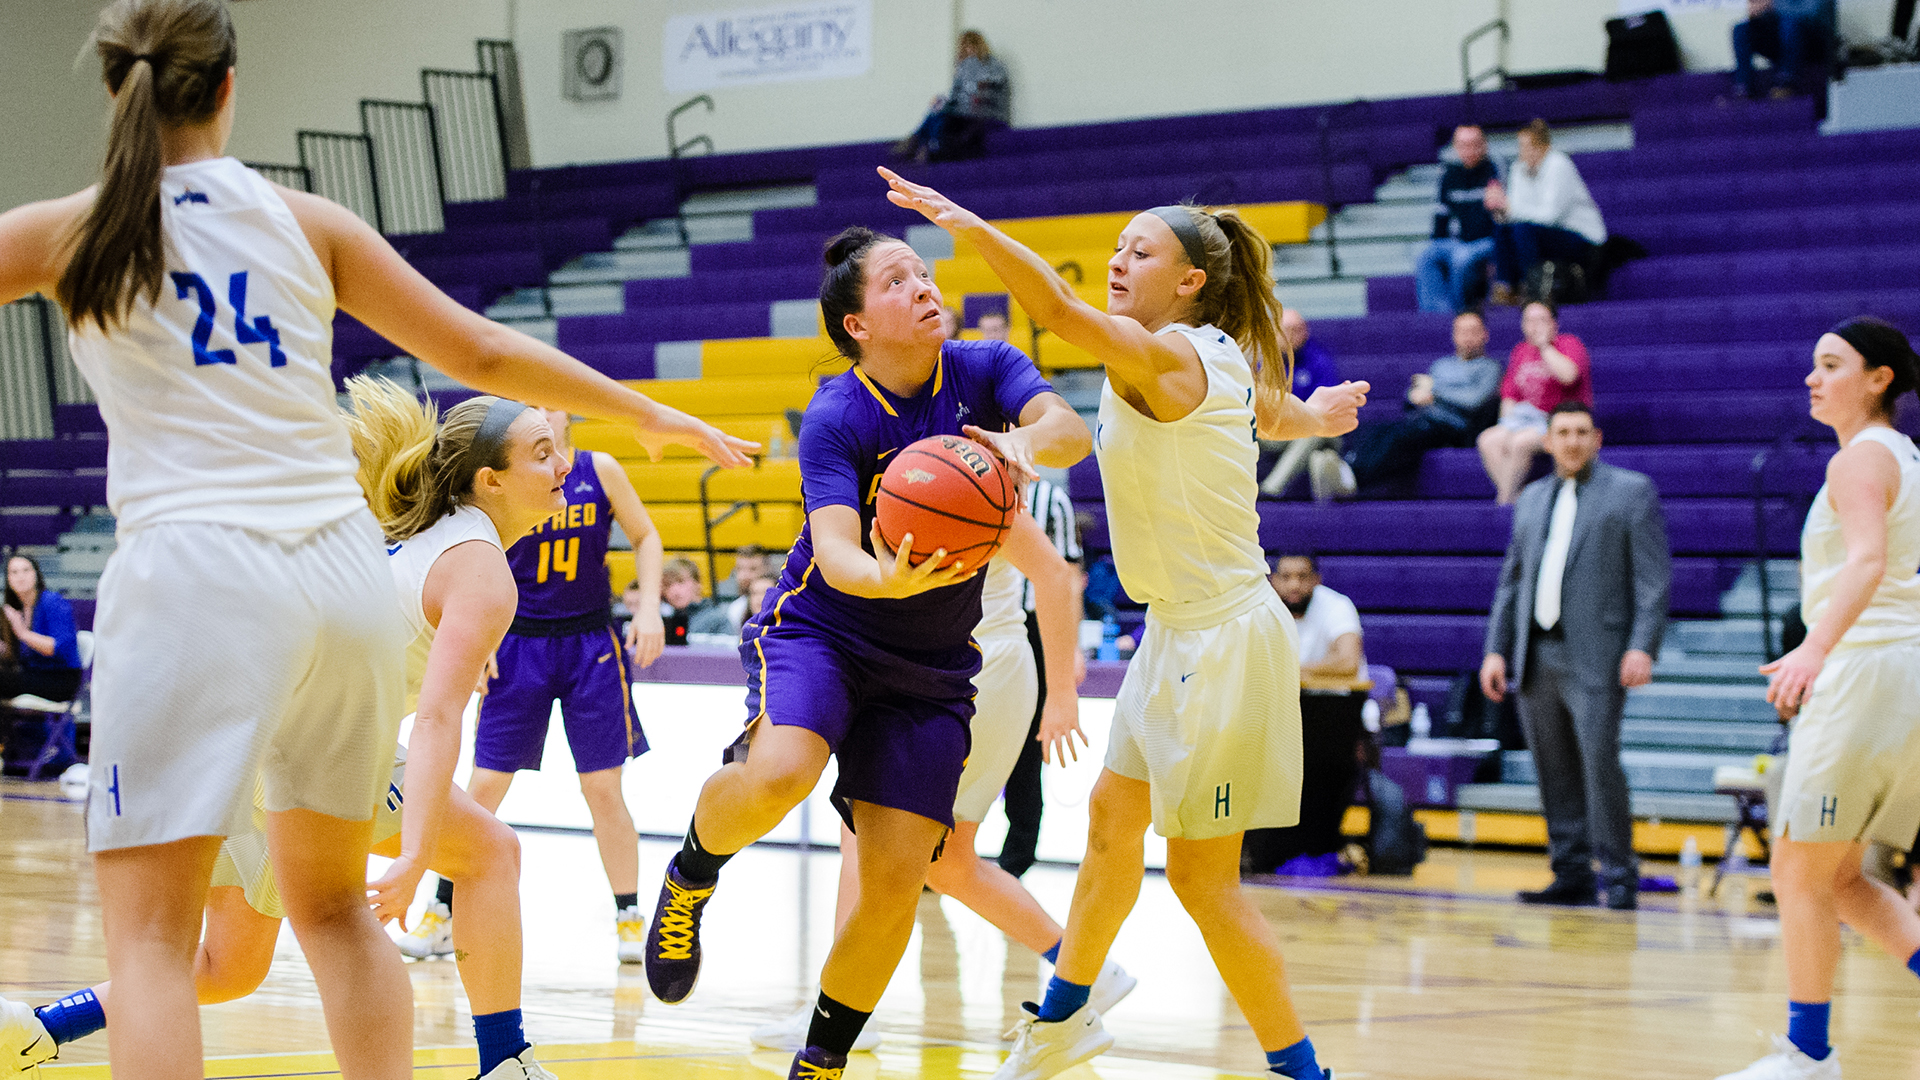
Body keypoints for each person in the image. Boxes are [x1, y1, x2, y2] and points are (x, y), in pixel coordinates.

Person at [0, 3, 753, 1075]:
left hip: (199, 574)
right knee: (336, 914)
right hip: (344, 582)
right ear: (225, 88)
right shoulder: (307, 222)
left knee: (157, 945)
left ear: (119, 90)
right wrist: (646, 412)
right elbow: (483, 349)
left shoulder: (70, 228)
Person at [882, 167, 1367, 1080]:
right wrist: (1319, 417)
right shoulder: (1211, 355)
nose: (1117, 260)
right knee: (1110, 822)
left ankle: (1303, 1073)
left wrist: (963, 222)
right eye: (1117, 245)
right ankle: (1063, 1023)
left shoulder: (1168, 354)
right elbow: (1268, 409)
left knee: (1200, 883)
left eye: (1139, 250)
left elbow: (1059, 310)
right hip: (1174, 632)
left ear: (1189, 281)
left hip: (1222, 639)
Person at [0, 379, 577, 1078]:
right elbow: (435, 720)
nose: (565, 464)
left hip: (221, 738)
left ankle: (39, 1028)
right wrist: (418, 852)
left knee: (228, 966)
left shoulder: (414, 528)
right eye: (543, 452)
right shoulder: (480, 569)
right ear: (491, 480)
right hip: (305, 741)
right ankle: (506, 1062)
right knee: (486, 854)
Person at [636, 223, 1090, 1080]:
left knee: (894, 882)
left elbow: (1066, 426)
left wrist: (1020, 447)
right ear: (856, 323)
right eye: (896, 280)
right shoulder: (837, 413)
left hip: (931, 669)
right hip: (828, 631)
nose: (924, 286)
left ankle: (823, 1063)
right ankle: (691, 875)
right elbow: (837, 551)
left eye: (925, 272)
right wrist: (890, 582)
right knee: (780, 772)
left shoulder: (984, 372)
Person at [749, 511, 1131, 1054]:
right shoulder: (916, 458)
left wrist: (1063, 694)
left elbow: (1055, 574)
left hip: (978, 667)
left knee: (865, 828)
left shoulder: (964, 470)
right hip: (983, 667)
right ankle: (1086, 969)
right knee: (951, 861)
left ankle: (843, 1012)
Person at [1714, 319, 1920, 1080]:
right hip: (1900, 673)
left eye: (1831, 365)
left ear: (1879, 379)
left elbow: (1867, 560)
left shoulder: (1861, 460)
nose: (1813, 378)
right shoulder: (1899, 456)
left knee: (1798, 869)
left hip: (1867, 670)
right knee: (1842, 879)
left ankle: (1807, 1055)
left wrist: (1813, 646)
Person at [401, 407, 667, 967]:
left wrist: (647, 608)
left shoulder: (600, 469)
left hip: (590, 642)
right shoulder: (508, 475)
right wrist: (475, 643)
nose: (543, 405)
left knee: (603, 789)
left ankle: (628, 914)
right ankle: (441, 911)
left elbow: (645, 535)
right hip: (514, 640)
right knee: (487, 782)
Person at [1480, 402, 1669, 912]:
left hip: (1598, 655)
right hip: (1535, 653)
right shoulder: (1532, 497)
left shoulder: (1632, 492)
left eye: (1581, 432)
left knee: (1599, 763)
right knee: (1553, 767)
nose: (1571, 441)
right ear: (1547, 441)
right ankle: (1570, 872)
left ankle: (1620, 873)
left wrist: (1641, 646)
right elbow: (1512, 580)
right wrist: (1496, 650)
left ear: (1597, 438)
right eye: (1561, 432)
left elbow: (1653, 582)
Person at [1243, 556, 1369, 877]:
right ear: (1273, 580)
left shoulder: (1337, 607)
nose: (1294, 584)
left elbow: (1348, 662)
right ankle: (1260, 851)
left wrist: (1293, 670)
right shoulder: (1262, 609)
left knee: (1316, 767)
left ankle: (1315, 850)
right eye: (1286, 576)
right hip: (1284, 710)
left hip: (1335, 714)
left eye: (1302, 576)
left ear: (1316, 579)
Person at [1310, 311, 1504, 498]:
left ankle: (1351, 478)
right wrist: (1413, 396)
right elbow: (1416, 396)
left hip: (1456, 427)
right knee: (1376, 429)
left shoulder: (1490, 368)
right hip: (1425, 417)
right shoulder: (1441, 366)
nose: (1467, 337)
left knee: (1405, 437)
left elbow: (1474, 400)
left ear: (1485, 335)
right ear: (1454, 335)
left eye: (1473, 331)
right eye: (1462, 332)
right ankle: (1346, 467)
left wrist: (1434, 393)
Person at [998, 474, 1084, 879]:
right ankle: (938, 859)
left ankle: (1016, 861)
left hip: (1036, 626)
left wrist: (1072, 648)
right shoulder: (960, 475)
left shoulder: (1053, 501)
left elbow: (1068, 578)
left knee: (1030, 749)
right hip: (979, 622)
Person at [1477, 300, 1593, 505]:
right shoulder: (1520, 351)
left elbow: (1569, 376)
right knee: (1488, 440)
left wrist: (1544, 347)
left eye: (1541, 320)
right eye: (1529, 320)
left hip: (1557, 420)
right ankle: (1516, 498)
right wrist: (1506, 426)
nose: (1535, 326)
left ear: (1554, 324)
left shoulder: (1569, 344)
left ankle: (1504, 502)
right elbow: (1509, 396)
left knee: (1519, 442)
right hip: (1524, 419)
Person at [1487, 120, 1606, 306]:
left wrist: (1511, 209)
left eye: (1530, 146)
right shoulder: (1518, 169)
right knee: (1502, 228)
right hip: (1543, 233)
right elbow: (1515, 212)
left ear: (1545, 147)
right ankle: (1507, 287)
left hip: (1582, 237)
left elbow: (1551, 216)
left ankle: (1533, 288)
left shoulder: (1558, 164)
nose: (1524, 151)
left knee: (1522, 230)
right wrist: (1501, 210)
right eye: (1522, 146)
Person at [1414, 125, 1503, 315]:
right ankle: (1437, 315)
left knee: (1461, 259)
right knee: (1426, 256)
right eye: (1463, 145)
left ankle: (1460, 315)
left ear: (1484, 146)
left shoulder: (1494, 170)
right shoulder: (1449, 175)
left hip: (1489, 241)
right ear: (1455, 147)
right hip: (1460, 242)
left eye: (1474, 145)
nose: (1469, 151)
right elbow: (1441, 217)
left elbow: (1499, 220)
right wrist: (1438, 243)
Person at [1257, 308, 1343, 497]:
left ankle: (1271, 490)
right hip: (1280, 430)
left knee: (1313, 428)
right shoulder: (1265, 362)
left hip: (1320, 430)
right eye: (1283, 331)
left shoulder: (1319, 361)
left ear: (1305, 332)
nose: (1289, 336)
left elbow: (1325, 409)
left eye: (1295, 330)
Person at [895, 30, 1011, 163]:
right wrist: (942, 102)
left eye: (971, 45)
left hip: (985, 112)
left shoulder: (993, 65)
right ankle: (922, 144)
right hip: (963, 112)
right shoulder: (963, 67)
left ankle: (921, 145)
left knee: (947, 121)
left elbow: (989, 86)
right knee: (936, 113)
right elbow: (955, 96)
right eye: (965, 46)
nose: (968, 49)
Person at [0, 554, 84, 703]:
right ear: (8, 579)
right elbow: (18, 657)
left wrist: (23, 633)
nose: (21, 576)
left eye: (26, 570)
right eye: (14, 572)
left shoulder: (53, 602)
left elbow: (59, 648)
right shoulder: (14, 608)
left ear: (36, 574)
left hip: (60, 678)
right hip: (32, 673)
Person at [1733, 0, 1836, 100]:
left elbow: (1813, 12)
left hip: (1815, 41)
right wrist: (1758, 11)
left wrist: (1772, 5)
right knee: (1741, 30)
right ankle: (1743, 87)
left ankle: (1785, 82)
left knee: (1789, 22)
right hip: (1786, 37)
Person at [658, 557, 712, 644]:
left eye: (680, 581)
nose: (674, 590)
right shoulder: (662, 622)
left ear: (697, 583)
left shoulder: (718, 619)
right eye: (668, 585)